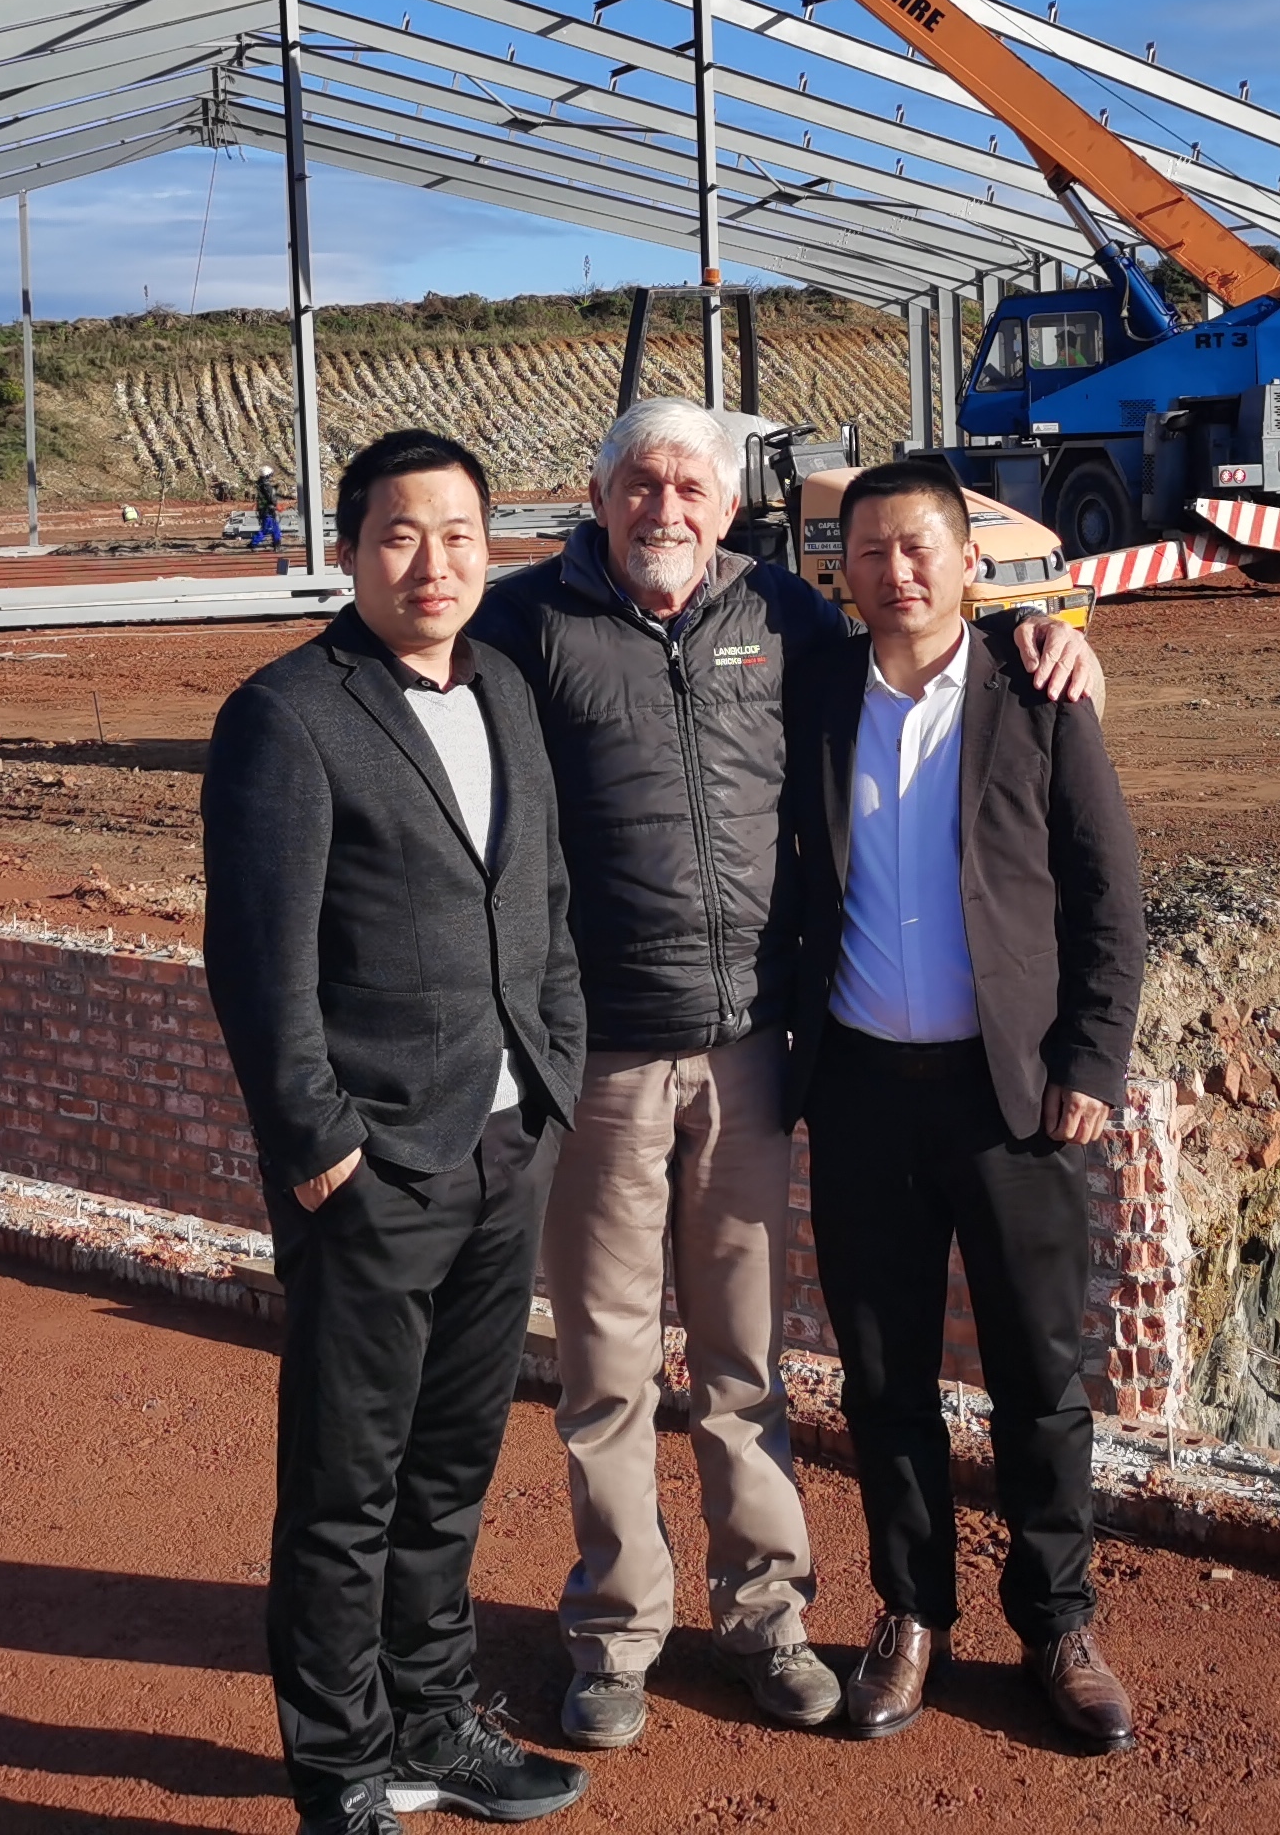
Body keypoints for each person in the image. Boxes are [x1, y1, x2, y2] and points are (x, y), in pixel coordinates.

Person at [469, 398, 1102, 1752]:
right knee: (607, 1368)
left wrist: (1042, 642)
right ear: (600, 496)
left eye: (691, 487)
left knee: (750, 1369)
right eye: (641, 485)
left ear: (729, 504)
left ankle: (769, 1623)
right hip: (617, 1064)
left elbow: (931, 647)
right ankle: (618, 1636)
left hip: (759, 1058)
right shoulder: (526, 626)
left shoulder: (784, 623)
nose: (666, 511)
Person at [202, 427, 592, 1835]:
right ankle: (341, 1766)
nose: (434, 563)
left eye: (460, 534)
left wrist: (552, 1075)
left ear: (492, 547)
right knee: (344, 1484)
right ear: (353, 547)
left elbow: (541, 904)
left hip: (502, 1146)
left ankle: (433, 1718)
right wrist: (318, 1141)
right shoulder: (289, 714)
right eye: (401, 536)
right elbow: (258, 958)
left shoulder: (506, 696)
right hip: (373, 1163)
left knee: (453, 1464)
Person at [782, 452, 1147, 1753]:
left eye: (921, 547)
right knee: (884, 1380)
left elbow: (1110, 898)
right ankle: (910, 1615)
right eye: (872, 550)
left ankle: (1057, 1622)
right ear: (847, 569)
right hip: (864, 1092)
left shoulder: (1038, 691)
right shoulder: (811, 690)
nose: (897, 570)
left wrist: (1091, 1062)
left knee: (1040, 1378)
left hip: (1014, 1103)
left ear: (972, 564)